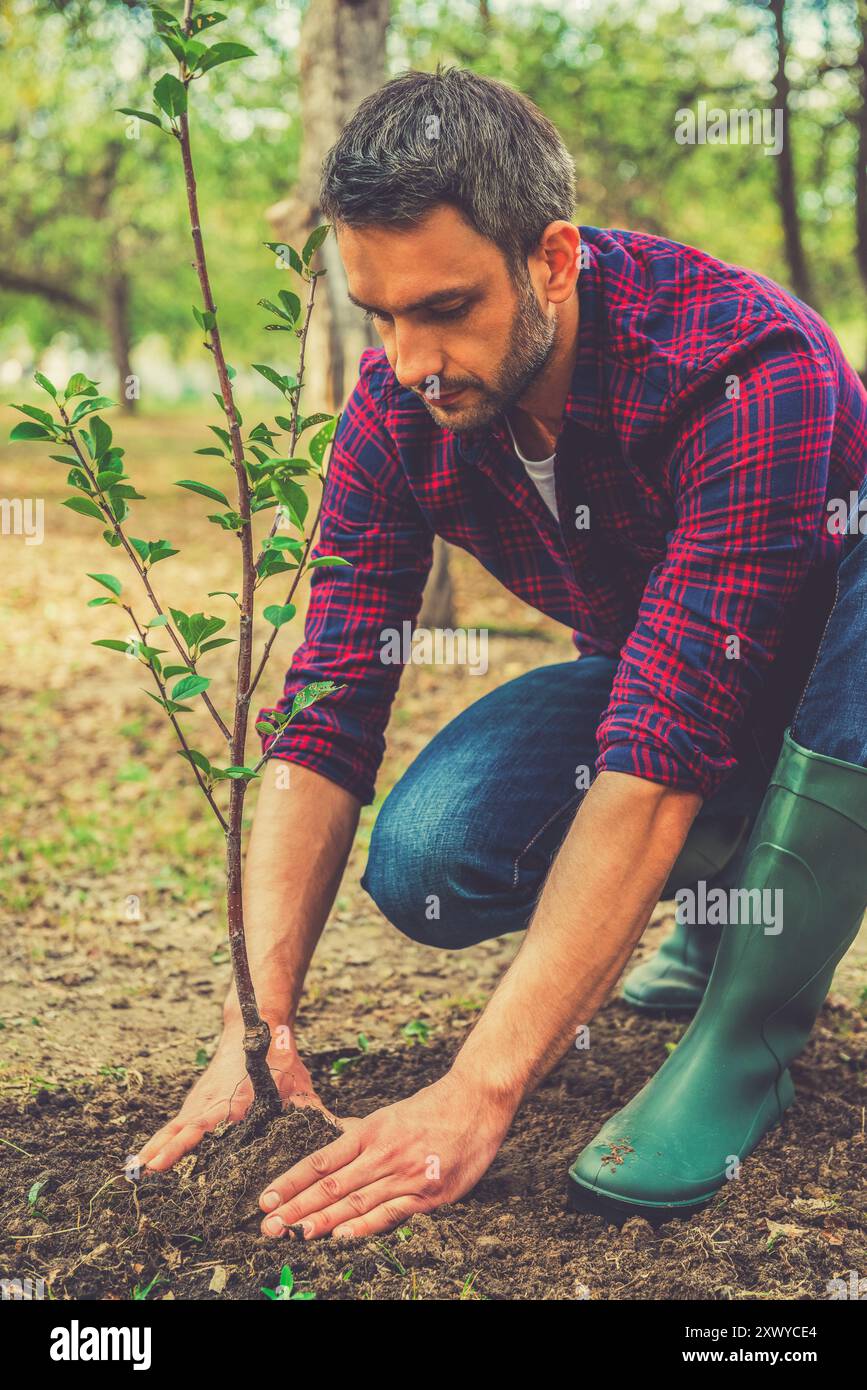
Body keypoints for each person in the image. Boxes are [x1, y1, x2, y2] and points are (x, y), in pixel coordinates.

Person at [134, 67, 867, 1235]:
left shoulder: (743, 368)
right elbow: (325, 710)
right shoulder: (397, 410)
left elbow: (663, 750)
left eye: (445, 307)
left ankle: (748, 1031)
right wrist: (253, 1022)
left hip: (833, 654)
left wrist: (481, 1090)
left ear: (555, 260)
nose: (412, 360)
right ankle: (733, 888)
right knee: (432, 856)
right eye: (380, 315)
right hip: (670, 675)